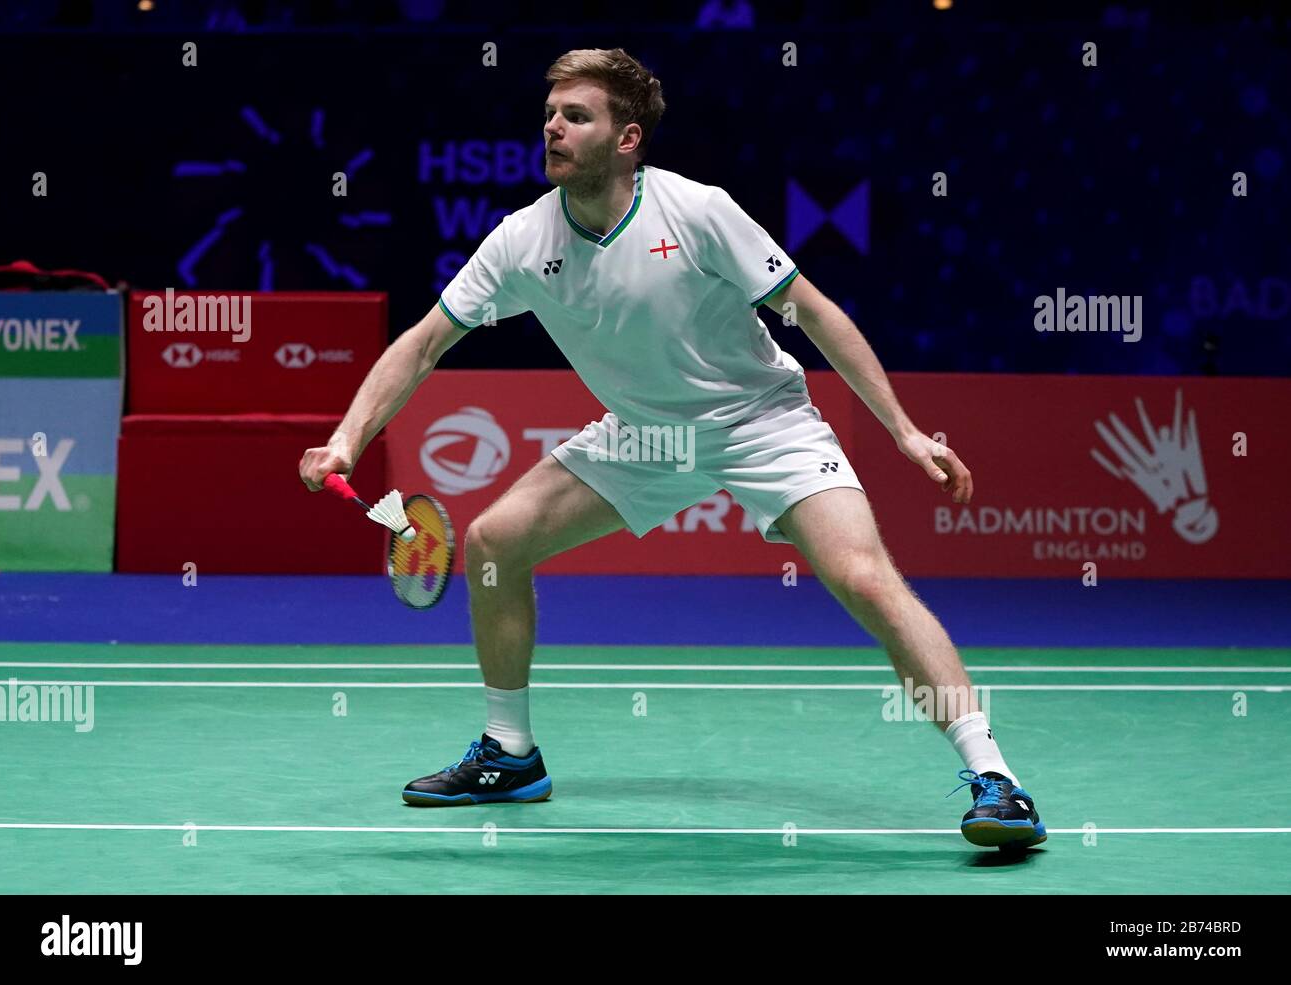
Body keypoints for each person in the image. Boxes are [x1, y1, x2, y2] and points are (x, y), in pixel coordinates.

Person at [299, 47, 1045, 851]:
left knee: (865, 577)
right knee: (493, 542)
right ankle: (510, 751)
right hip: (644, 433)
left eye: (576, 115)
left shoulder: (697, 211)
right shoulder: (522, 240)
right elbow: (422, 344)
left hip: (763, 421)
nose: (553, 126)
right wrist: (347, 437)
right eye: (550, 113)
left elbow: (816, 311)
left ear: (627, 140)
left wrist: (901, 427)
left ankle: (995, 777)